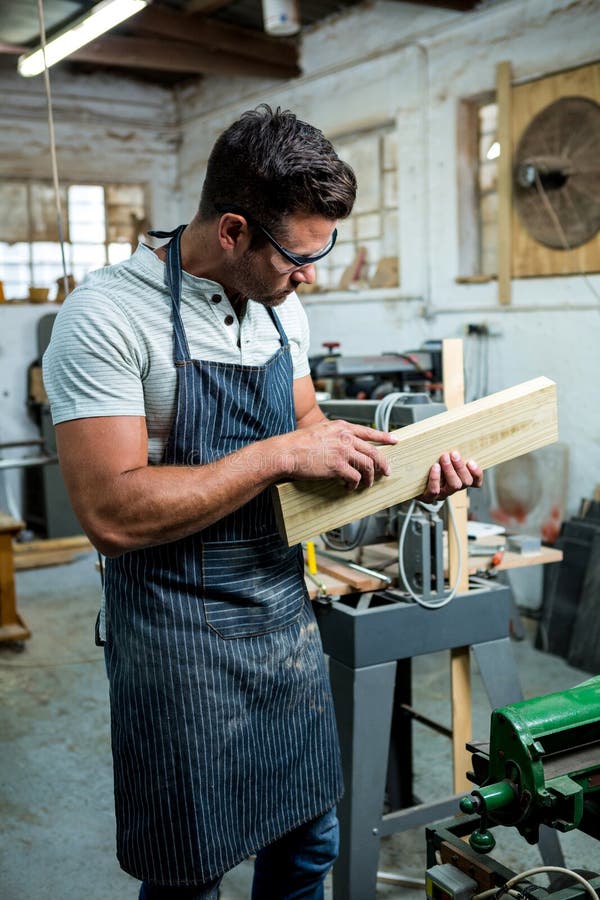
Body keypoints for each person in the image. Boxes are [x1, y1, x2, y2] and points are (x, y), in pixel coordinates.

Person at [43, 105, 483, 900]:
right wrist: (277, 454)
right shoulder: (106, 315)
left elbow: (310, 430)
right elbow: (111, 512)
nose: (309, 275)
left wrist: (409, 473)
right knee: (191, 870)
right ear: (233, 232)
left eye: (322, 252)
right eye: (297, 256)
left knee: (309, 843)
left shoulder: (284, 308)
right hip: (175, 633)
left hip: (280, 615)